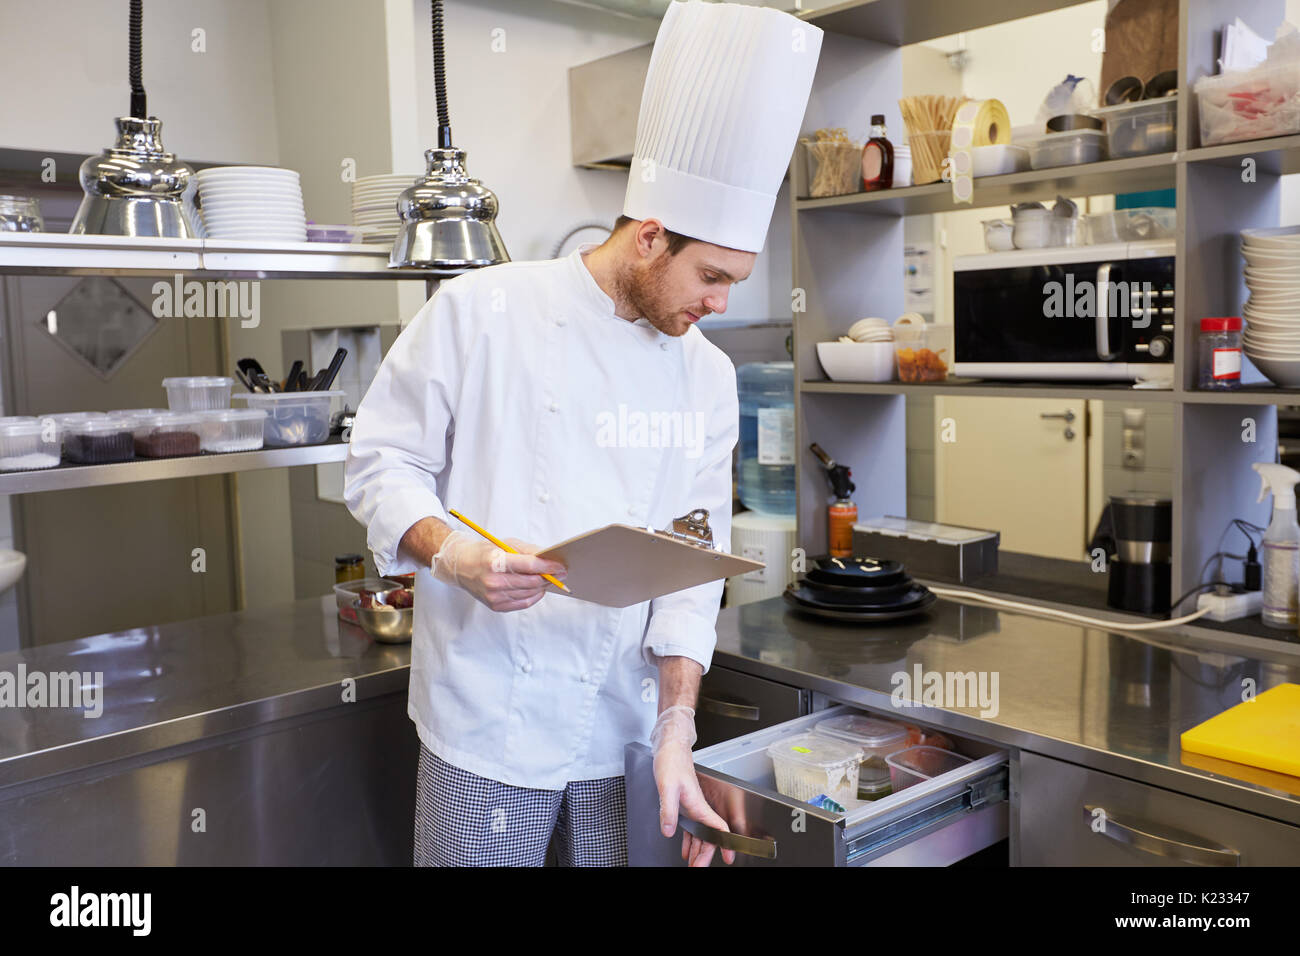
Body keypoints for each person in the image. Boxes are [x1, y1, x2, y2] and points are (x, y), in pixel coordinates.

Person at [343, 0, 822, 867]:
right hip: (487, 726)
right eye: (711, 276)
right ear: (647, 238)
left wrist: (678, 725)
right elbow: (381, 465)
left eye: (734, 282)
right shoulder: (482, 311)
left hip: (624, 728)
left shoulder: (707, 375)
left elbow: (689, 561)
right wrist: (456, 556)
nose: (720, 304)